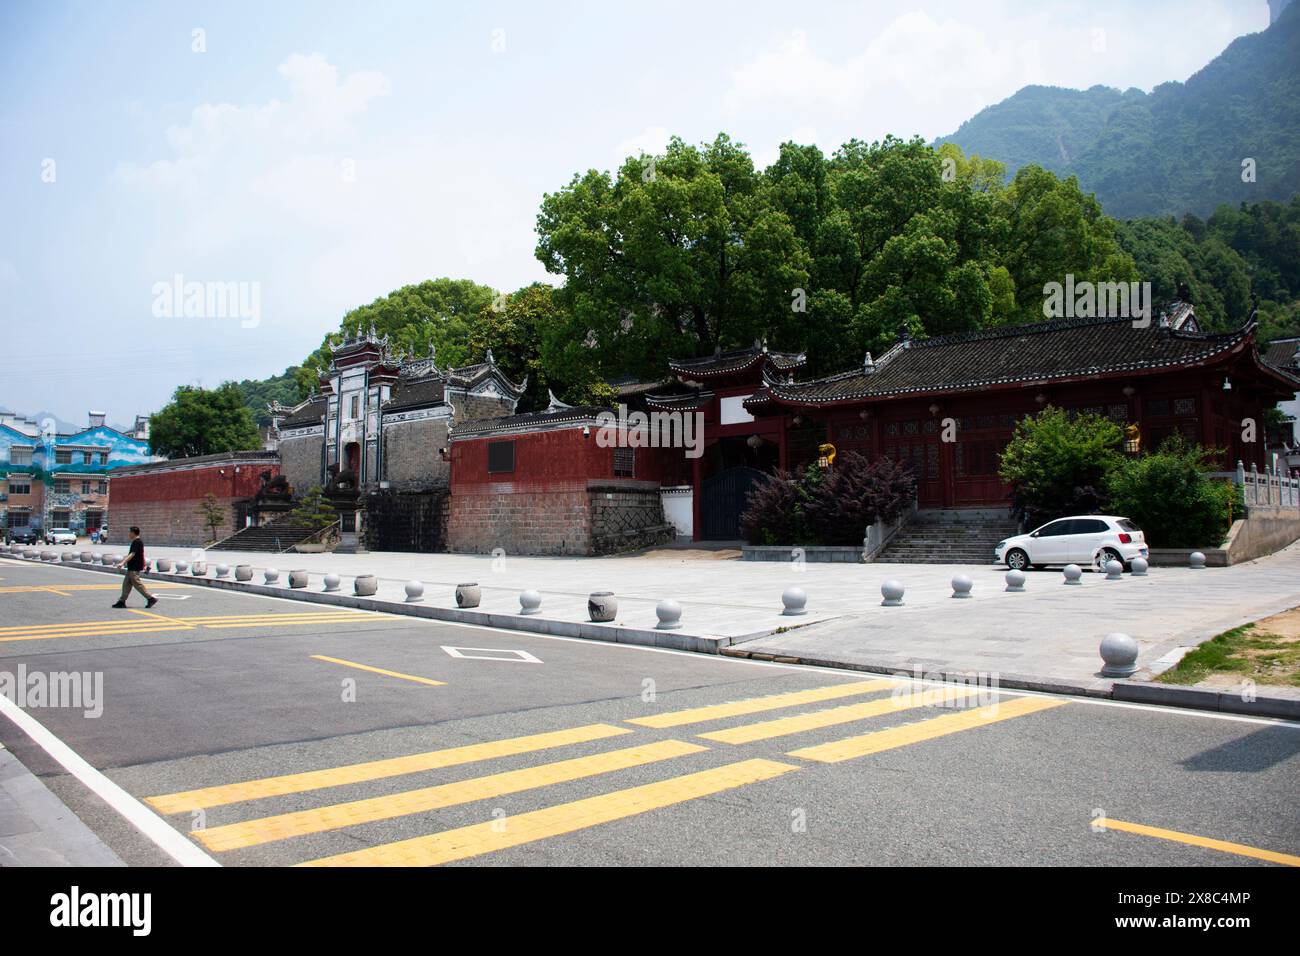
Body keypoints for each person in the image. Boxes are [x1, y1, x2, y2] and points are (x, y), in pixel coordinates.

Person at [113, 526, 157, 609]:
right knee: (126, 584)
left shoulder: (137, 542)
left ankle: (151, 598)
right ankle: (121, 601)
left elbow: (132, 554)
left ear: (133, 533)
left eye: (130, 532)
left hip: (134, 567)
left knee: (137, 584)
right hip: (132, 567)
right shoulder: (137, 541)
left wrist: (122, 562)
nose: (129, 534)